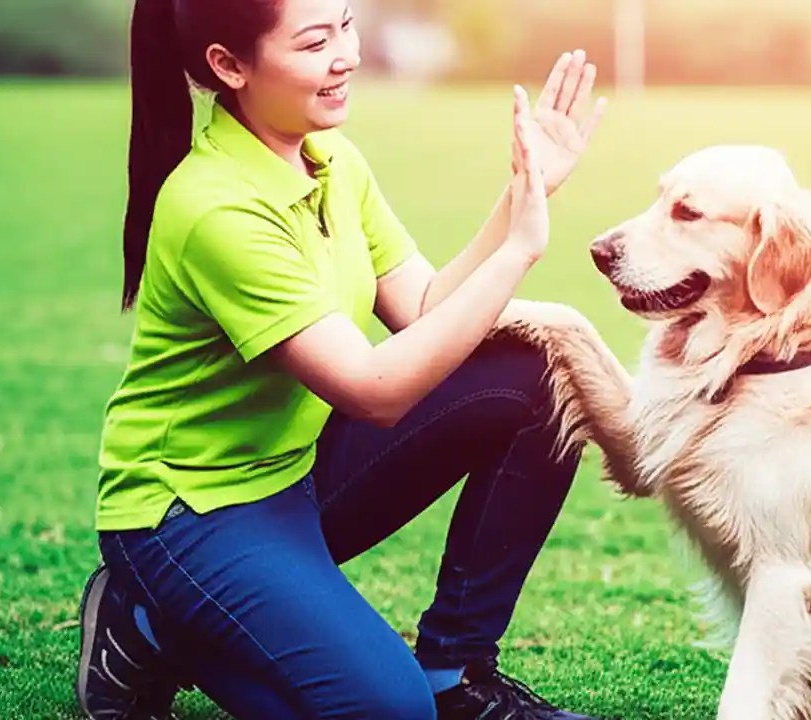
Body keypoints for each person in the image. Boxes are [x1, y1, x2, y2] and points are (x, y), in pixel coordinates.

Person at [75, 0, 609, 718]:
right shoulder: (215, 209)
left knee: (536, 374)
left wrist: (525, 193)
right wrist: (520, 252)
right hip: (194, 511)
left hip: (299, 473)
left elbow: (423, 306)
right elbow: (373, 389)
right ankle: (148, 621)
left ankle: (457, 674)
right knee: (387, 710)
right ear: (229, 66)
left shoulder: (331, 160)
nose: (346, 55)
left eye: (347, 25)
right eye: (314, 41)